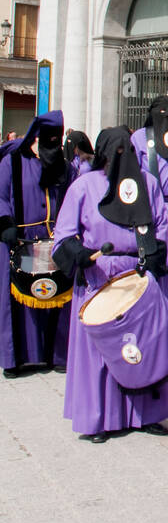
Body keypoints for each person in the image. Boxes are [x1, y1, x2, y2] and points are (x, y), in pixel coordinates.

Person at [52, 127, 168, 442]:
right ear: (103, 154)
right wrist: (78, 254)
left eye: (127, 152)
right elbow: (63, 234)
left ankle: (144, 415)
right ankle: (99, 418)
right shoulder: (84, 187)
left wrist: (157, 250)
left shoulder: (148, 184)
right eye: (116, 153)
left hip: (138, 273)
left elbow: (162, 224)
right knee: (100, 352)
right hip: (99, 274)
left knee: (142, 346)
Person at [0, 110, 72, 376]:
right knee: (20, 303)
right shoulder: (13, 162)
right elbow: (0, 194)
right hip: (19, 240)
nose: (53, 146)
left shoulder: (64, 166)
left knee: (57, 297)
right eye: (48, 140)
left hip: (54, 241)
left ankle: (56, 354)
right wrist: (4, 222)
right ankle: (18, 358)